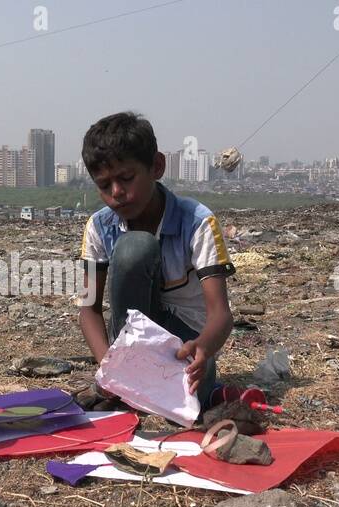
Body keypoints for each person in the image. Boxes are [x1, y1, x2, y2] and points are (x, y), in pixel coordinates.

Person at [77, 112, 235, 415]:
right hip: (130, 343)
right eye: (104, 185)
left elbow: (221, 315)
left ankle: (138, 387)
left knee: (186, 399)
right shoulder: (98, 226)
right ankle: (128, 379)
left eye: (126, 178)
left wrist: (203, 347)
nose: (117, 193)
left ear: (157, 166)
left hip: (184, 344)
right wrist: (108, 367)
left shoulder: (198, 222)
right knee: (134, 246)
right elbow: (88, 309)